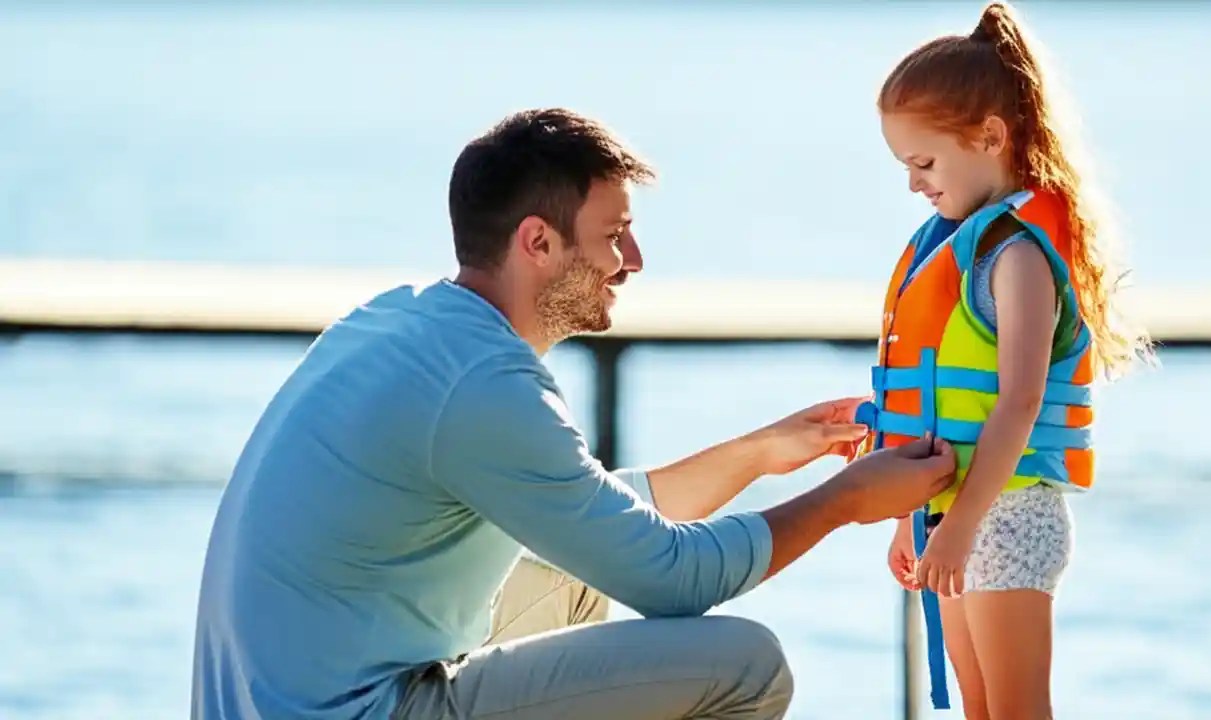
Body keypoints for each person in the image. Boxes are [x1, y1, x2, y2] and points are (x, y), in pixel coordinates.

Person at [191, 107, 957, 720]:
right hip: (364, 709)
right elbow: (672, 579)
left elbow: (601, 521)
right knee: (748, 668)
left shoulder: (410, 326)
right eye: (613, 235)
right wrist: (848, 501)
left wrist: (765, 449)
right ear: (539, 243)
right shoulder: (484, 384)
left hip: (300, 697)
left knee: (580, 579)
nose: (634, 260)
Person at [861, 2, 1152, 718]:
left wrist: (960, 528)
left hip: (1010, 514)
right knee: (979, 709)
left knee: (1018, 709)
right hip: (950, 515)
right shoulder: (955, 251)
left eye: (924, 162)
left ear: (990, 136)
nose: (913, 184)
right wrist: (916, 517)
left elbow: (1019, 400)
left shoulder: (1016, 256)